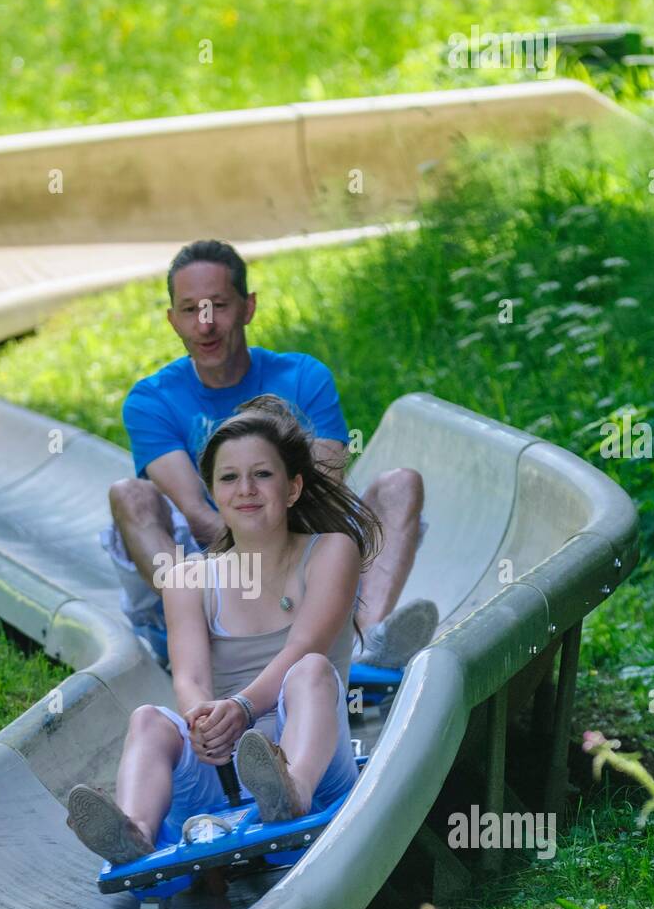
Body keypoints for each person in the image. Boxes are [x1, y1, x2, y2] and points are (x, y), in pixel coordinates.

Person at [68, 397, 383, 866]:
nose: (246, 489)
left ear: (293, 488)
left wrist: (241, 707)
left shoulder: (331, 551)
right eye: (230, 478)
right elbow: (190, 678)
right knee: (150, 719)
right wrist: (204, 722)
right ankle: (133, 831)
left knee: (312, 671)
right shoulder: (190, 577)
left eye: (263, 474)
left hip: (318, 759)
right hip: (223, 769)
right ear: (213, 494)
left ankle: (289, 790)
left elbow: (304, 646)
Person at [99, 237, 438, 672]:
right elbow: (198, 515)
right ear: (172, 320)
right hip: (213, 571)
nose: (205, 324)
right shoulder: (150, 400)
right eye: (190, 309)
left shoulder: (303, 376)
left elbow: (322, 491)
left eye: (219, 305)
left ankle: (364, 642)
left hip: (303, 550)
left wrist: (289, 574)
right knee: (130, 494)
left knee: (401, 484)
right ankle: (198, 641)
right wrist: (255, 587)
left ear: (248, 308)